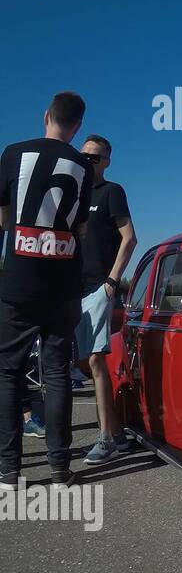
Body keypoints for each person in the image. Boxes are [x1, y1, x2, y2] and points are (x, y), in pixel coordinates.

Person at [0, 92, 95, 489]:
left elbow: (3, 218)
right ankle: (59, 468)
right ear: (76, 127)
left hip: (19, 280)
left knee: (8, 373)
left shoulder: (14, 152)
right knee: (56, 374)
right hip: (63, 284)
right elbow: (82, 231)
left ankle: (9, 471)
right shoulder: (83, 167)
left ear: (46, 116)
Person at [77, 135, 138, 466]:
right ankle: (117, 434)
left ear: (106, 161)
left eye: (95, 157)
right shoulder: (72, 195)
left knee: (97, 360)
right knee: (82, 362)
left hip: (100, 287)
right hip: (73, 288)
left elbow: (129, 238)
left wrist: (112, 282)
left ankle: (106, 440)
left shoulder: (111, 192)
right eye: (84, 156)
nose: (89, 162)